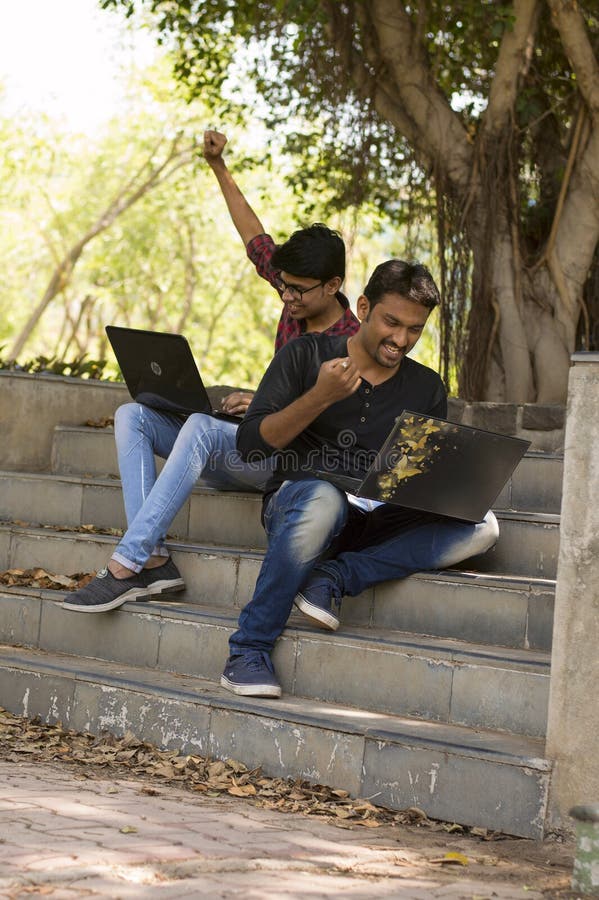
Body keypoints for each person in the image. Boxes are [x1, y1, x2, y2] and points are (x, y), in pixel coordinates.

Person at [62, 132, 359, 614]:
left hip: (284, 467)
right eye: (283, 287)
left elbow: (328, 430)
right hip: (247, 443)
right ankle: (155, 559)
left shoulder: (351, 344)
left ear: (334, 286)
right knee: (132, 415)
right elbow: (255, 239)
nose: (287, 297)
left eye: (299, 290)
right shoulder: (294, 295)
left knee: (201, 428)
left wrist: (266, 402)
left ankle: (126, 565)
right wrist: (218, 165)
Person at [220, 259, 499, 698]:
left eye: (415, 329)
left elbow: (418, 476)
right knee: (324, 499)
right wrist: (319, 397)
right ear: (364, 306)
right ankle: (248, 648)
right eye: (392, 322)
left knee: (483, 525)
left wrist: (447, 487)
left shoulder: (426, 386)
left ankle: (333, 578)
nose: (401, 340)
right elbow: (251, 446)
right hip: (301, 506)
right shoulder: (304, 355)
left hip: (372, 517)